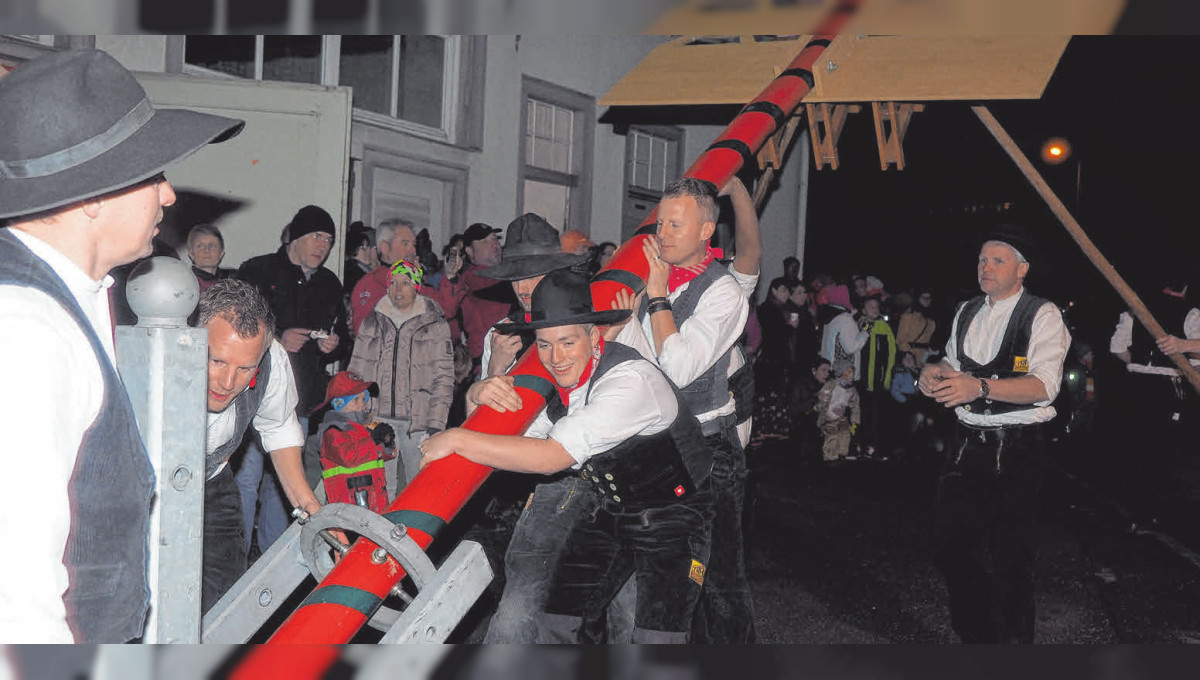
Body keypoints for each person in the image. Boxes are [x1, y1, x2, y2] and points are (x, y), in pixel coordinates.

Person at [0, 48, 243, 643]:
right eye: (149, 174)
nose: (168, 195)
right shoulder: (26, 326)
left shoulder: (64, 299)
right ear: (91, 199)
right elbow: (14, 601)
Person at [419, 270, 715, 643]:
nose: (556, 358)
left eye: (567, 343)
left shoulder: (629, 380)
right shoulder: (565, 385)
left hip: (676, 517)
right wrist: (475, 394)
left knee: (656, 639)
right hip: (614, 510)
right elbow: (514, 441)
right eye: (544, 345)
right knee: (556, 623)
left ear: (594, 337)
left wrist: (459, 439)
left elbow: (550, 457)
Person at [607, 175, 761, 644]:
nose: (663, 234)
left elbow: (679, 367)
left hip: (710, 451)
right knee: (646, 572)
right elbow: (639, 364)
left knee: (719, 582)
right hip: (650, 445)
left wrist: (654, 299)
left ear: (705, 232)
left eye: (676, 225)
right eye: (661, 224)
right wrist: (618, 328)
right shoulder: (652, 283)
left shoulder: (725, 292)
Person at [918, 228, 1070, 644]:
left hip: (1019, 449)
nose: (986, 267)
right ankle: (977, 637)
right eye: (982, 259)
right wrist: (933, 374)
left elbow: (1044, 385)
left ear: (1022, 269)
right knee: (951, 547)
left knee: (1011, 561)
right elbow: (952, 361)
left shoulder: (1042, 314)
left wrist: (981, 388)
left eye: (997, 260)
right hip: (966, 444)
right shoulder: (967, 309)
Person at [461, 212, 589, 643]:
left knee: (600, 605)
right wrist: (495, 366)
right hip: (514, 486)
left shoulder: (584, 322)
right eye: (515, 276)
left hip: (583, 477)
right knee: (520, 599)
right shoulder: (502, 333)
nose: (523, 287)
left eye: (533, 274)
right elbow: (473, 416)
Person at [197, 279, 322, 612]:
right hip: (143, 484)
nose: (227, 383)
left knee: (222, 593)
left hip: (211, 478)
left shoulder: (271, 360)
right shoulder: (159, 353)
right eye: (217, 361)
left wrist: (313, 512)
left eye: (244, 368)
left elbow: (279, 428)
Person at [235, 204, 346, 554]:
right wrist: (277, 338)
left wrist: (334, 343)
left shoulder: (329, 283)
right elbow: (233, 325)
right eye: (316, 236)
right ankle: (232, 561)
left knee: (284, 489)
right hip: (254, 395)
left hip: (299, 399)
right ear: (295, 237)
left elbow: (342, 332)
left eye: (328, 240)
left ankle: (271, 559)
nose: (322, 246)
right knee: (246, 480)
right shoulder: (257, 270)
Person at [348, 259, 453, 495]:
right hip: (378, 419)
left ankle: (417, 533)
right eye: (393, 283)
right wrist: (355, 416)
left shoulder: (434, 324)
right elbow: (356, 372)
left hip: (418, 424)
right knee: (382, 489)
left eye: (405, 283)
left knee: (421, 488)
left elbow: (444, 378)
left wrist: (435, 425)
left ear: (416, 287)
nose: (398, 289)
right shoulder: (373, 322)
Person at [307, 371, 396, 513]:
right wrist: (373, 440)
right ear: (338, 403)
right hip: (348, 502)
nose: (363, 404)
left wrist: (387, 442)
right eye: (356, 399)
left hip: (374, 498)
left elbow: (378, 455)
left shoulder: (363, 427)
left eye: (364, 398)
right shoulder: (333, 431)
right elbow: (347, 457)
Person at [430, 222, 512, 371]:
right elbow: (505, 291)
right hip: (485, 362)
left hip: (507, 358)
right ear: (469, 251)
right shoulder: (472, 278)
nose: (494, 244)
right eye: (484, 242)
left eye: (495, 239)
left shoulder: (503, 274)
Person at [348, 218, 418, 337]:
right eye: (405, 244)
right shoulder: (370, 282)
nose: (413, 250)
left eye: (414, 244)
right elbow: (366, 333)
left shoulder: (414, 279)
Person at [857, 296, 897, 457]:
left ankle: (874, 446)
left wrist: (887, 377)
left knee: (876, 414)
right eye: (870, 306)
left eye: (876, 306)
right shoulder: (860, 324)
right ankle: (859, 444)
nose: (874, 309)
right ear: (863, 309)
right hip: (861, 378)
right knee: (860, 412)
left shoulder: (885, 327)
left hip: (878, 380)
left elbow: (892, 354)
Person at [817, 360, 861, 463]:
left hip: (842, 418)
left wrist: (855, 422)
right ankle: (830, 457)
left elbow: (855, 406)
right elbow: (822, 397)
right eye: (848, 372)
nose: (851, 375)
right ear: (841, 373)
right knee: (833, 436)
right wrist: (820, 403)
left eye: (852, 372)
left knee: (845, 433)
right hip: (829, 417)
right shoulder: (831, 385)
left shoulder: (852, 390)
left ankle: (842, 454)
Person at [187, 223, 236, 293]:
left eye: (212, 246)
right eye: (200, 246)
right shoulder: (186, 282)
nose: (207, 250)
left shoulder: (235, 280)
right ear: (191, 254)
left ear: (221, 253)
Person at [897, 289, 938, 365]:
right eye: (923, 298)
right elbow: (901, 338)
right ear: (918, 299)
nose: (926, 300)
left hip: (925, 356)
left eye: (928, 298)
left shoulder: (930, 318)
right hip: (911, 356)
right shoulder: (909, 316)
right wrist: (907, 354)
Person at [341, 222, 376, 296]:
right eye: (363, 248)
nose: (369, 251)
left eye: (369, 246)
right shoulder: (352, 273)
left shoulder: (365, 268)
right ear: (353, 249)